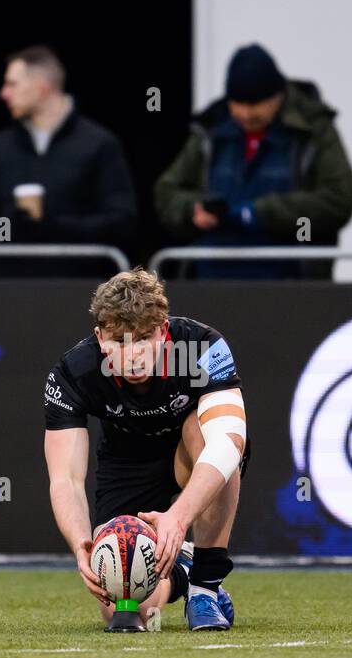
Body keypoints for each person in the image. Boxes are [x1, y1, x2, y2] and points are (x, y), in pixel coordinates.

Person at [43, 270, 247, 632]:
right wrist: (80, 546)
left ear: (163, 331)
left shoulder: (201, 346)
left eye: (143, 339)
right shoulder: (74, 373)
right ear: (99, 338)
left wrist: (178, 517)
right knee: (123, 605)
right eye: (119, 342)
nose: (133, 355)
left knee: (206, 432)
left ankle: (205, 585)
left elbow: (229, 441)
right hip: (127, 462)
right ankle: (181, 569)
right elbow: (66, 479)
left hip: (189, 454)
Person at [153, 43, 352, 278]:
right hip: (211, 278)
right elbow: (167, 192)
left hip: (292, 281)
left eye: (255, 104)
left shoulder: (313, 130)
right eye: (238, 104)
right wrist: (194, 209)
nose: (246, 114)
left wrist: (262, 212)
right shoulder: (211, 130)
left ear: (278, 96)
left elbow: (339, 199)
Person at [0, 46, 137, 269]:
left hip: (80, 288)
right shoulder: (2, 144)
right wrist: (8, 229)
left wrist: (56, 227)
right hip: (10, 287)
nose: (3, 93)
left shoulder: (99, 143)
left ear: (41, 88)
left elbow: (122, 220)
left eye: (12, 84)